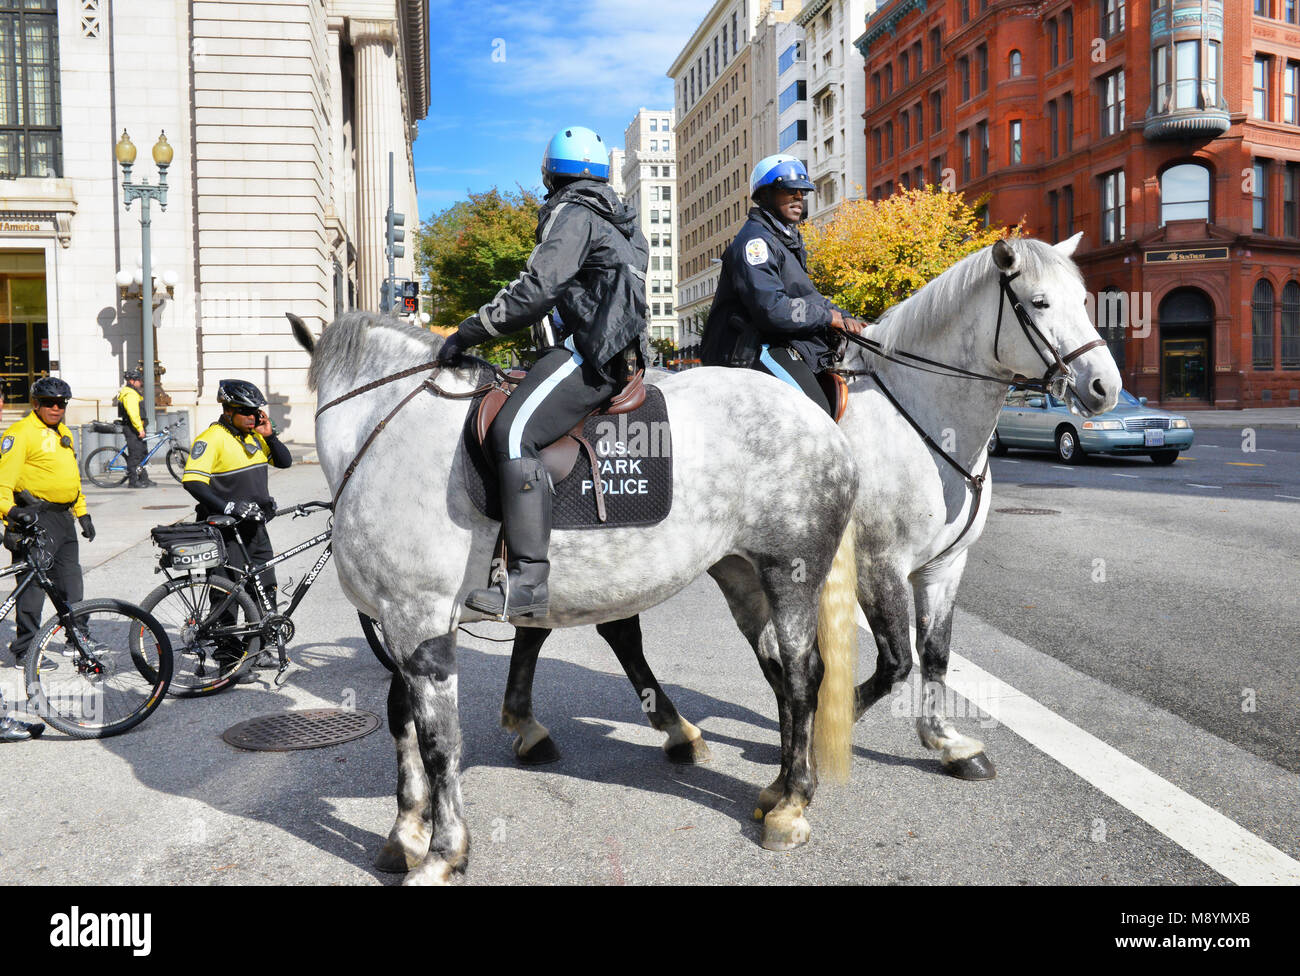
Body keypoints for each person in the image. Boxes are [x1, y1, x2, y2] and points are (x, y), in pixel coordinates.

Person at [436, 125, 649, 618]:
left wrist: (466, 333)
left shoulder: (574, 213)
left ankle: (527, 581)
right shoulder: (618, 219)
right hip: (619, 350)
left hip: (591, 352)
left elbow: (535, 291)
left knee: (511, 433)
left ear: (551, 175)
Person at [701, 153, 865, 416]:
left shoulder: (786, 241)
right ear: (765, 195)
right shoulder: (756, 243)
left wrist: (847, 319)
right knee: (816, 415)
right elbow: (772, 310)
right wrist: (827, 318)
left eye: (801, 192)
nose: (798, 198)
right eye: (788, 191)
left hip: (780, 342)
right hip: (749, 348)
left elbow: (808, 297)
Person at [181, 379, 291, 679]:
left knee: (264, 587)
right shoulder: (211, 439)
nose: (253, 417)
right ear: (228, 411)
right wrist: (227, 507)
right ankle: (228, 659)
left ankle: (255, 649)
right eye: (246, 412)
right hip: (224, 530)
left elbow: (285, 461)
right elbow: (192, 481)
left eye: (256, 413)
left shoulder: (255, 436)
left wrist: (271, 435)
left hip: (255, 529)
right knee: (227, 593)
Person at [0, 377, 95, 670]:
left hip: (64, 516)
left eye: (62, 403)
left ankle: (76, 637)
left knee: (71, 581)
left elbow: (71, 477)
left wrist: (82, 512)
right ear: (36, 404)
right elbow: (2, 483)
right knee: (32, 587)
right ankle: (25, 649)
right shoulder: (21, 433)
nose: (57, 408)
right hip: (35, 516)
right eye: (50, 403)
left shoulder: (63, 431)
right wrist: (12, 513)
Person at [114, 368, 151, 488]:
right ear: (131, 381)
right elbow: (133, 413)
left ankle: (144, 478)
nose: (140, 382)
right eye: (138, 380)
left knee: (142, 453)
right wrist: (139, 428)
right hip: (132, 427)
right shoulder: (129, 394)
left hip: (136, 426)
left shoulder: (133, 392)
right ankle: (133, 481)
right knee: (135, 455)